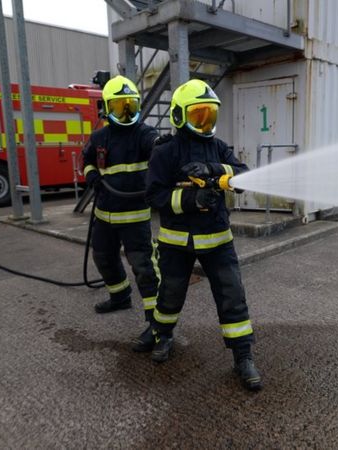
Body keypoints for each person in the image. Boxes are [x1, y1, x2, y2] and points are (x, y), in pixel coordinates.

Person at [145, 79, 262, 391]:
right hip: (175, 242)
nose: (206, 122)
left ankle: (243, 356)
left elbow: (244, 175)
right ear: (180, 116)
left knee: (232, 295)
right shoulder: (165, 152)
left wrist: (213, 168)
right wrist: (189, 200)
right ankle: (163, 335)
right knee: (169, 294)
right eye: (199, 115)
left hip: (217, 239)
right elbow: (154, 195)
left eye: (210, 115)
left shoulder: (218, 147)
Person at [82, 75, 160, 352]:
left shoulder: (144, 134)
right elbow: (87, 159)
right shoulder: (99, 136)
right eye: (119, 107)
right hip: (104, 212)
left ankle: (157, 325)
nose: (126, 112)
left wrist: (166, 149)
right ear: (107, 108)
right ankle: (120, 296)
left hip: (135, 215)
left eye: (130, 106)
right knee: (102, 256)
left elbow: (157, 145)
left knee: (145, 269)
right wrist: (91, 175)